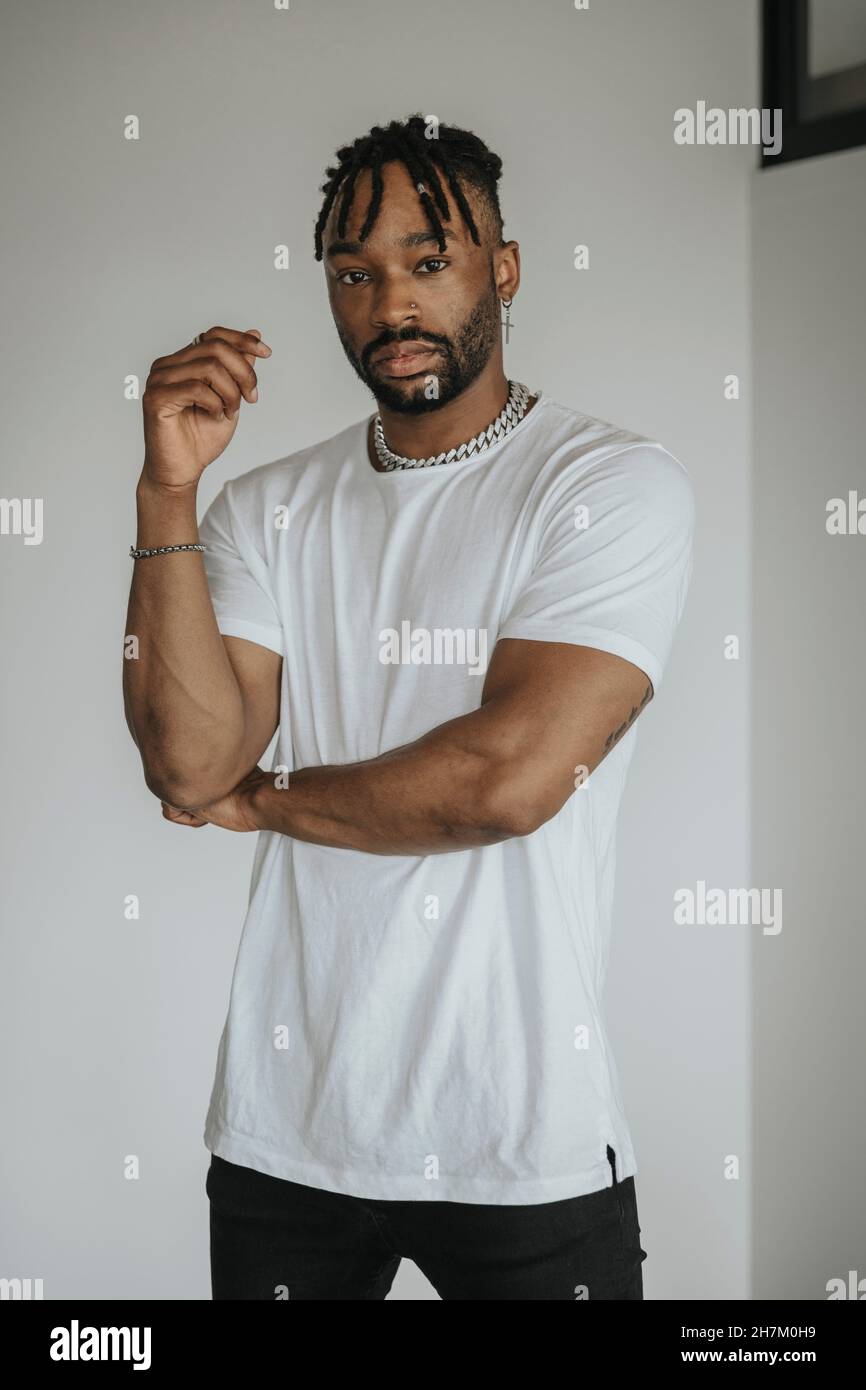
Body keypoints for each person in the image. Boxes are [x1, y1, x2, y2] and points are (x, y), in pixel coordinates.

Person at [123, 113, 695, 1300]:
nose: (389, 304)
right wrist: (169, 487)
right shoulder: (265, 507)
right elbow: (188, 764)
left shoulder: (606, 486)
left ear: (503, 267)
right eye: (355, 273)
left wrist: (266, 801)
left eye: (428, 260)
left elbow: (505, 781)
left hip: (520, 1133)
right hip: (291, 1132)